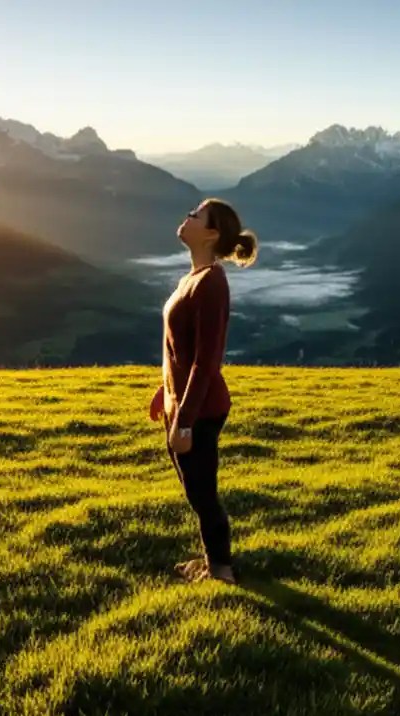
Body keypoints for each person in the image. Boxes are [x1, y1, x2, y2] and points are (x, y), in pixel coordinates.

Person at [149, 198, 258, 584]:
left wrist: (185, 422)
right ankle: (214, 562)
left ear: (211, 233)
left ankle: (222, 571)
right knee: (195, 490)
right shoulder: (192, 278)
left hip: (202, 409)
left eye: (195, 215)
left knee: (202, 493)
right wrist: (165, 392)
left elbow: (206, 362)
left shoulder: (211, 284)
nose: (187, 217)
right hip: (183, 403)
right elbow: (180, 349)